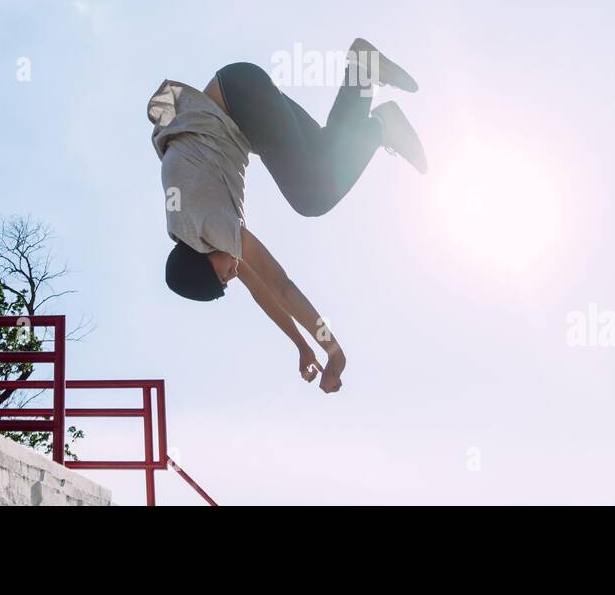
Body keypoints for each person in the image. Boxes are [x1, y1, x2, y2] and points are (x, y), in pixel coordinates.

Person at [147, 38, 426, 394]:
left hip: (241, 102)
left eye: (224, 275)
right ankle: (363, 70)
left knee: (312, 197)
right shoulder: (196, 232)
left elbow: (281, 285)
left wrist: (334, 352)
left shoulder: (205, 225)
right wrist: (301, 345)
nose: (234, 273)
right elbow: (261, 290)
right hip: (240, 93)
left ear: (203, 259)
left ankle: (382, 124)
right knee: (329, 153)